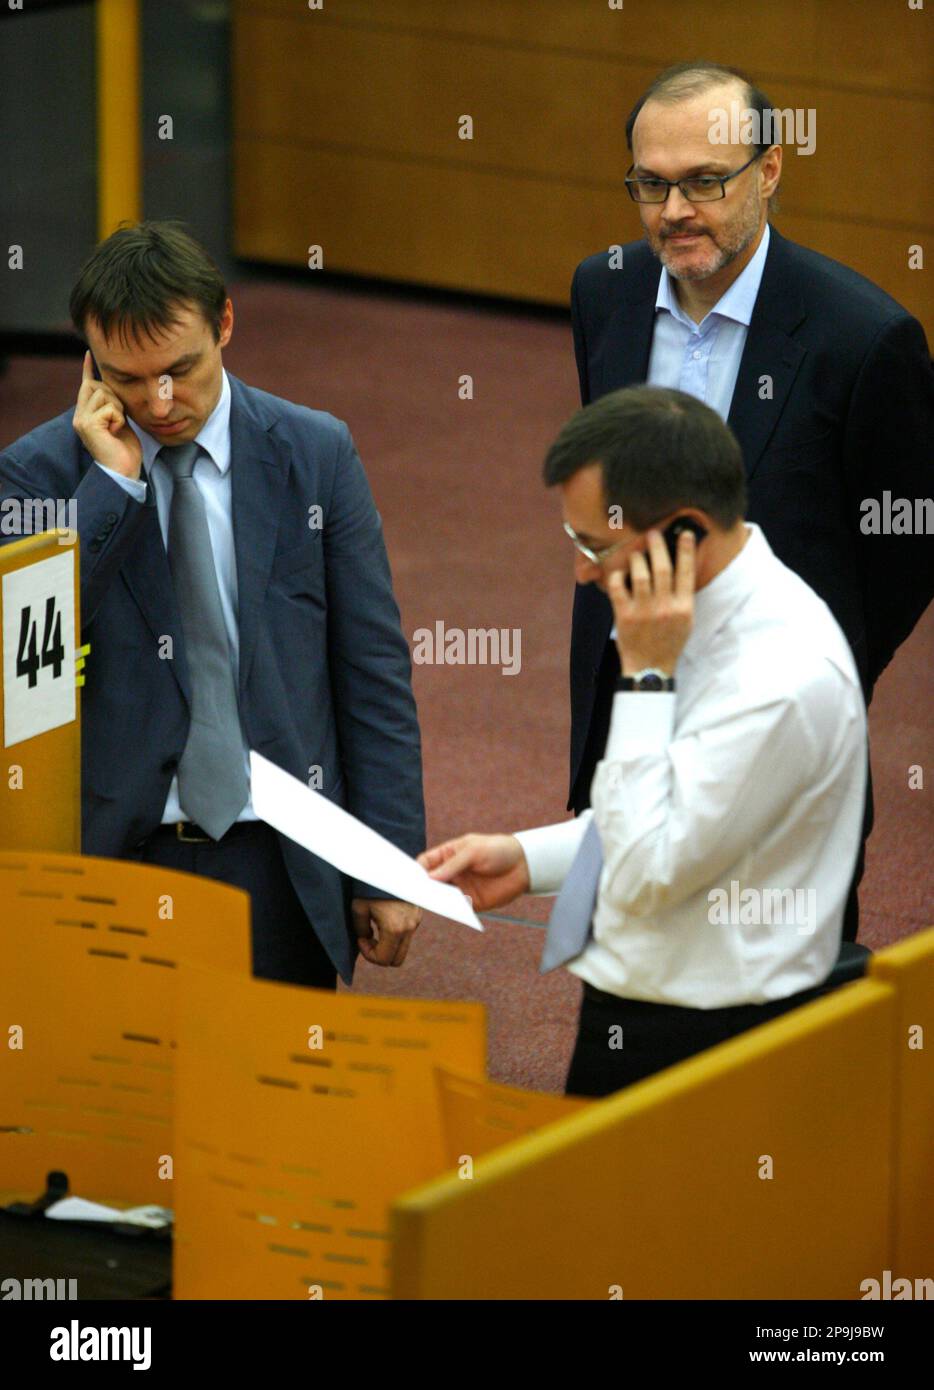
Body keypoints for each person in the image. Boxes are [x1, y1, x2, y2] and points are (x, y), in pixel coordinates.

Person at [0, 221, 424, 988]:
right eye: (128, 378)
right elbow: (21, 664)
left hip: (279, 860)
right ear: (90, 365)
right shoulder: (37, 476)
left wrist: (387, 863)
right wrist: (115, 492)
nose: (161, 403)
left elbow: (372, 673)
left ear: (224, 322)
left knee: (277, 1099)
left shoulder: (316, 453)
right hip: (118, 861)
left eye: (180, 369)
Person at [569, 61, 934, 944]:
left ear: (769, 172)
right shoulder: (604, 290)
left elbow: (908, 543)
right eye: (651, 185)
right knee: (627, 988)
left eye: (705, 181)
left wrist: (816, 664)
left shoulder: (865, 339)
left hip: (783, 748)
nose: (675, 211)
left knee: (778, 1042)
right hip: (626, 708)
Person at [421, 386, 867, 1097]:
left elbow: (650, 864)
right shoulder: (695, 610)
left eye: (596, 544)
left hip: (707, 1040)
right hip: (652, 1004)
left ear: (685, 534)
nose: (583, 572)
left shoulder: (778, 678)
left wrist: (647, 678)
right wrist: (529, 857)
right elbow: (678, 802)